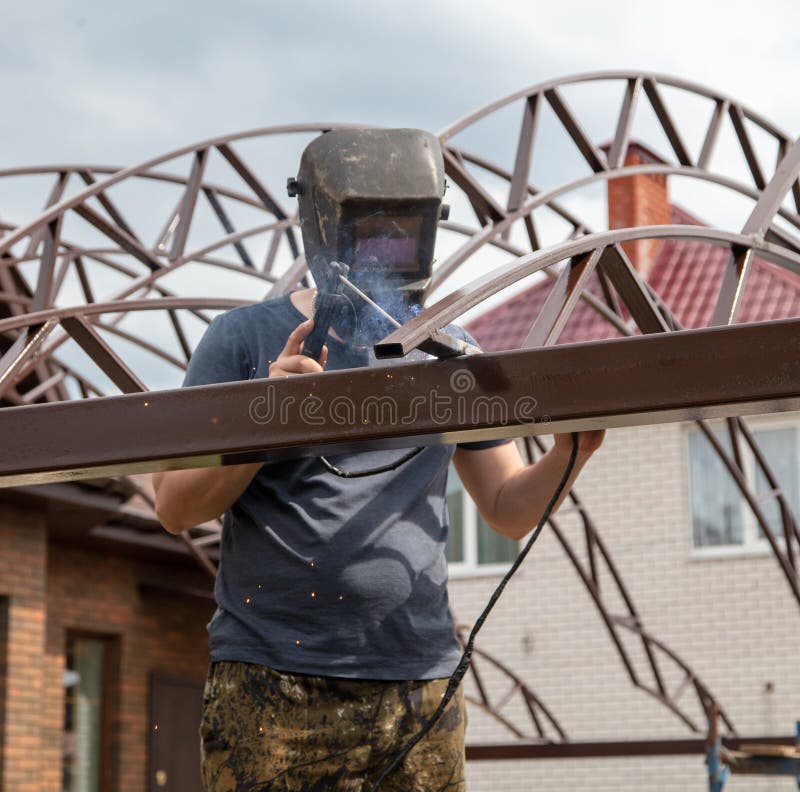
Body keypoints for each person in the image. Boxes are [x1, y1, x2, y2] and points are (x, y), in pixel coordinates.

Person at [153, 129, 604, 791]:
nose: (385, 254)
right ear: (322, 223)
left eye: (402, 234)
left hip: (417, 684)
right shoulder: (243, 340)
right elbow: (173, 506)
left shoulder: (450, 354)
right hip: (275, 684)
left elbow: (508, 510)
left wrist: (570, 453)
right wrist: (267, 418)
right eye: (370, 234)